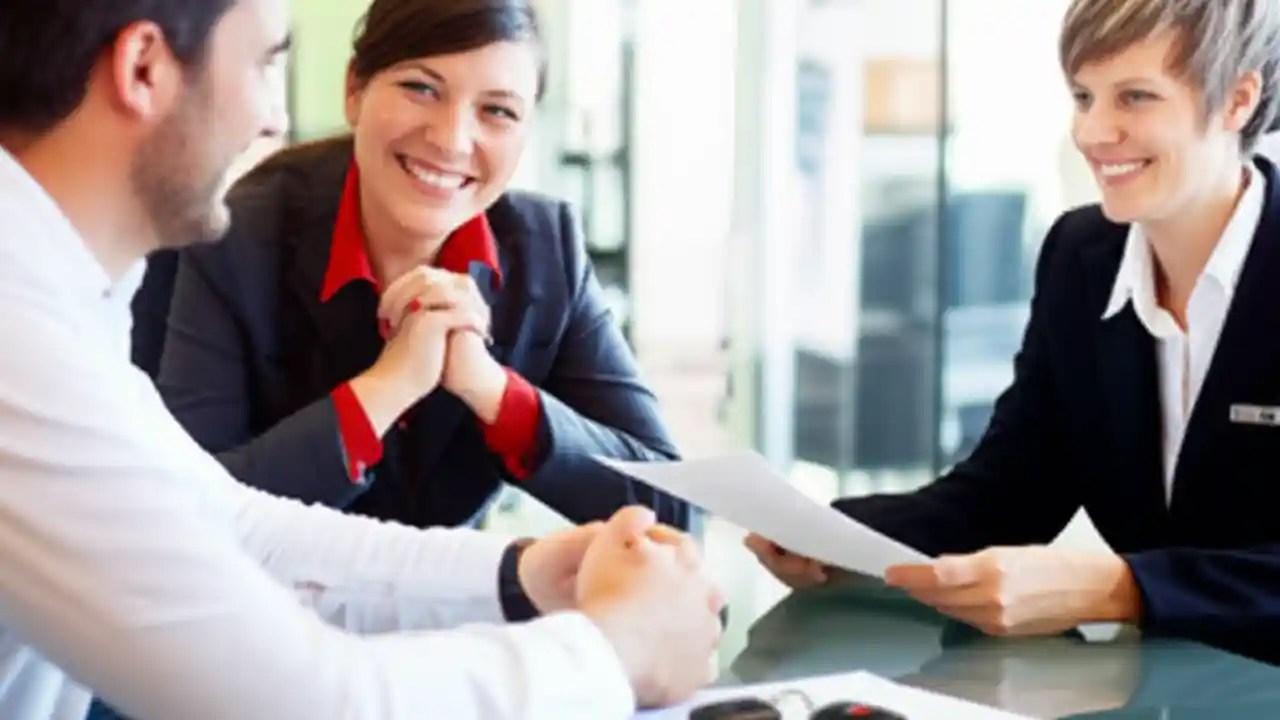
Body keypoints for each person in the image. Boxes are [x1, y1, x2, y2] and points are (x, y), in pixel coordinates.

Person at [0, 1, 723, 718]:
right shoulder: (23, 344)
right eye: (263, 64)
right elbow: (311, 699)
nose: (273, 122)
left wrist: (527, 571)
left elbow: (225, 519)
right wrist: (615, 653)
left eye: (499, 110)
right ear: (145, 68)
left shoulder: (57, 291)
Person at [748, 0, 1280, 661]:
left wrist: (1124, 588)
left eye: (1135, 97)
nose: (1093, 131)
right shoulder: (1081, 256)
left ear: (1237, 100)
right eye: (1083, 96)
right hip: (1160, 686)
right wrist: (831, 535)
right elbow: (1008, 491)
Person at [129, 0, 687, 531]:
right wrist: (386, 389)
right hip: (266, 609)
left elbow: (673, 504)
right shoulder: (236, 237)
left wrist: (494, 390)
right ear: (355, 90)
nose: (451, 139)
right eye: (421, 88)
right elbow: (190, 511)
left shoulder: (546, 249)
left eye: (497, 111)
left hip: (446, 603)